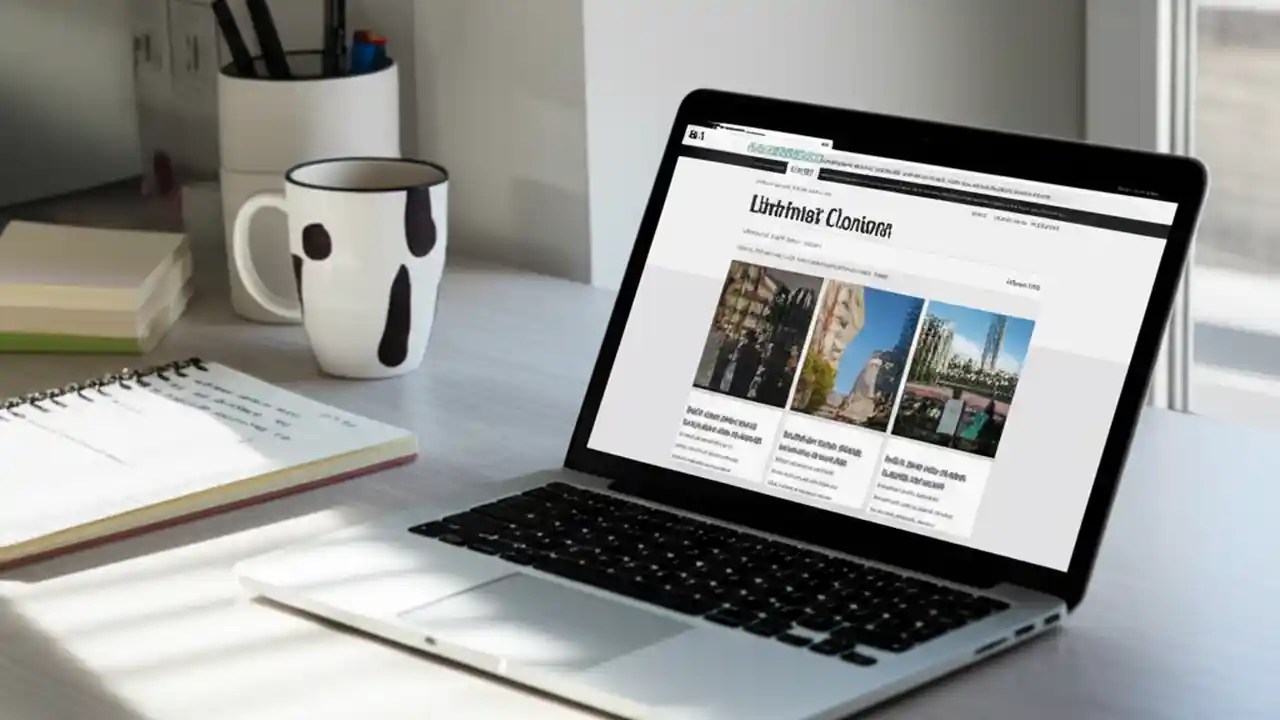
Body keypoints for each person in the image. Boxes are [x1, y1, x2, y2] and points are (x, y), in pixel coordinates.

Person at [728, 331, 761, 398]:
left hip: (740, 372)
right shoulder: (757, 352)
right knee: (742, 391)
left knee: (734, 390)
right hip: (747, 376)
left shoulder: (743, 347)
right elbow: (757, 364)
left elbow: (735, 358)